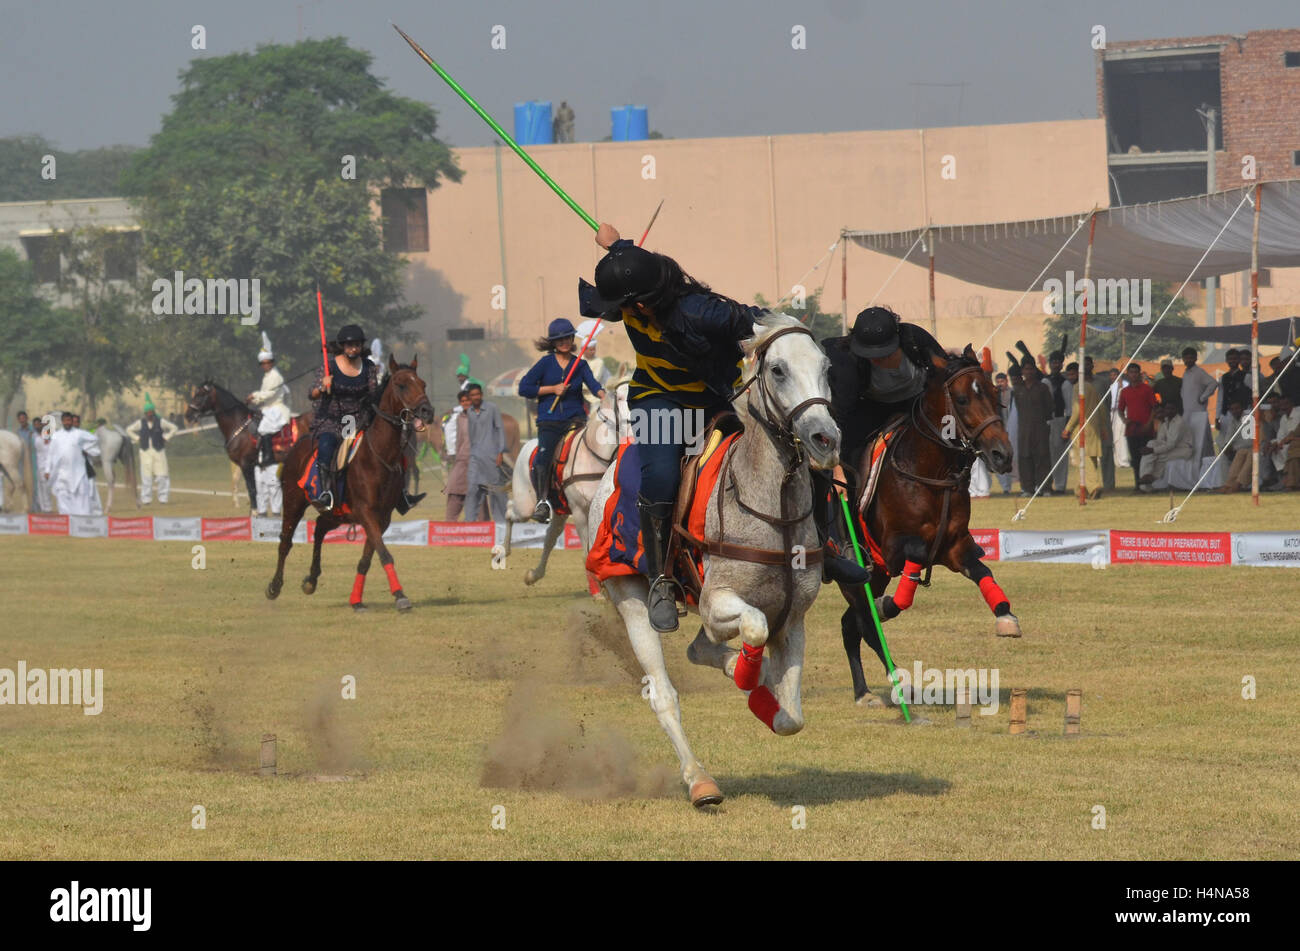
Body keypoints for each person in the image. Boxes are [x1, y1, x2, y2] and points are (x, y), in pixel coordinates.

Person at [581, 221, 866, 633]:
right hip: (658, 402)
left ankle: (827, 545)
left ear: (642, 304)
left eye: (621, 307)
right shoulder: (636, 286)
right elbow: (630, 264)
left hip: (715, 398)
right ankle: (661, 580)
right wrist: (614, 245)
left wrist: (793, 344)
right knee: (660, 478)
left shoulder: (703, 311)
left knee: (797, 451)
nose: (615, 314)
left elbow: (760, 322)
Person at [517, 317, 606, 522]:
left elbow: (594, 385)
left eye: (567, 337)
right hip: (550, 421)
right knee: (543, 458)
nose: (564, 342)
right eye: (559, 340)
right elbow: (524, 388)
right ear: (553, 343)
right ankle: (542, 501)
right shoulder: (545, 363)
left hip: (576, 420)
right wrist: (552, 389)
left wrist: (605, 395)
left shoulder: (580, 364)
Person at [307, 325, 381, 512]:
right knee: (326, 447)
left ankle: (400, 494)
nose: (353, 348)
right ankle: (326, 493)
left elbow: (373, 394)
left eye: (356, 344)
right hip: (332, 420)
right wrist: (323, 387)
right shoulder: (328, 366)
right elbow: (312, 394)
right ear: (342, 346)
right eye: (349, 345)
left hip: (358, 418)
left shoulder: (369, 367)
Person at [1061, 361, 1110, 499]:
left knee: (1084, 458)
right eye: (1068, 374)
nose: (1070, 377)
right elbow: (1101, 408)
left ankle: (1093, 486)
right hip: (1094, 427)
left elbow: (1077, 411)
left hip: (1082, 428)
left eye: (1072, 374)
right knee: (1090, 458)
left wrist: (1067, 428)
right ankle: (1081, 489)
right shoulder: (1091, 386)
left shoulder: (1078, 387)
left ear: (1079, 374)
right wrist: (1103, 427)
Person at [42, 410, 101, 515]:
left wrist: (86, 449)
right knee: (62, 496)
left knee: (82, 497)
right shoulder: (56, 436)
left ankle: (83, 520)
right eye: (65, 421)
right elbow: (50, 454)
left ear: (71, 421)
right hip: (62, 473)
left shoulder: (79, 434)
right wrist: (47, 470)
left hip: (79, 472)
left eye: (69, 420)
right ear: (62, 421)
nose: (67, 422)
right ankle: (67, 520)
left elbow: (94, 439)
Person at [464, 383, 507, 523]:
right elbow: (471, 435)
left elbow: (500, 429)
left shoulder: (492, 408)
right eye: (472, 395)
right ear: (469, 397)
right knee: (472, 489)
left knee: (495, 490)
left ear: (481, 395)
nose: (476, 397)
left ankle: (501, 522)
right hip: (475, 457)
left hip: (492, 456)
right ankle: (469, 523)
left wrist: (500, 452)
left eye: (477, 394)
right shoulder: (469, 412)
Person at [125, 395, 178, 505]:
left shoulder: (161, 421)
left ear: (153, 412)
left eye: (151, 411)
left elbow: (174, 428)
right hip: (145, 452)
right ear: (145, 413)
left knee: (162, 475)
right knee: (146, 476)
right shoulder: (140, 423)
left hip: (159, 452)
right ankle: (146, 499)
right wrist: (137, 438)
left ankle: (163, 498)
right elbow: (128, 430)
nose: (149, 414)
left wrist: (166, 437)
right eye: (147, 412)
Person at [1012, 362, 1053, 496]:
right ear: (1022, 372)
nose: (1028, 372)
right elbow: (1017, 409)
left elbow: (1049, 409)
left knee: (1042, 458)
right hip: (1024, 430)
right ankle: (1027, 488)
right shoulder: (1018, 389)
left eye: (1031, 369)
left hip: (1040, 429)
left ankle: (1045, 487)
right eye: (1026, 369)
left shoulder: (1042, 388)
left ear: (1035, 371)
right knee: (1025, 458)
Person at [1117, 362, 1157, 492]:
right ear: (1128, 375)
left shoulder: (1147, 389)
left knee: (1147, 458)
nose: (1133, 375)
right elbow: (1120, 409)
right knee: (1135, 459)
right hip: (1132, 430)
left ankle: (1147, 484)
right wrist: (1125, 420)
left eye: (1135, 372)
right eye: (1131, 372)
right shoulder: (1125, 391)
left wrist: (1149, 423)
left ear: (1139, 374)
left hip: (1146, 429)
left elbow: (1154, 408)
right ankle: (1138, 484)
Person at [1138, 402, 1194, 488]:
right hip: (1172, 448)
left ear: (1176, 410)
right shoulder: (1166, 422)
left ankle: (1147, 480)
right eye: (1167, 409)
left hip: (1184, 450)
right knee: (1151, 443)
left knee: (1155, 454)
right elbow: (1160, 441)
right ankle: (1148, 477)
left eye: (1171, 409)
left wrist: (1152, 450)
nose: (1169, 411)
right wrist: (1151, 449)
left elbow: (1171, 445)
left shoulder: (1179, 423)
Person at [1179, 347, 1216, 454]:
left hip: (1198, 413)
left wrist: (1203, 397)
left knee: (1202, 443)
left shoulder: (1199, 372)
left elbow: (1213, 383)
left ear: (1195, 359)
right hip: (1187, 414)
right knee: (1189, 443)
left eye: (1191, 358)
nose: (1188, 360)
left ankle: (1206, 467)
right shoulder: (1186, 373)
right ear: (1183, 359)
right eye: (1186, 358)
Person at [442, 390, 471, 520]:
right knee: (454, 490)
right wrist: (453, 454)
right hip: (461, 460)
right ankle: (449, 526)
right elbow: (458, 439)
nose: (465, 403)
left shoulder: (480, 416)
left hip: (475, 462)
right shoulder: (459, 418)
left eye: (467, 400)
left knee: (477, 495)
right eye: (462, 401)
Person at [1045, 349, 1070, 492]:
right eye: (1053, 362)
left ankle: (1060, 485)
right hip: (1046, 421)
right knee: (1047, 455)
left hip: (1059, 420)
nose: (1055, 365)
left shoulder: (1065, 383)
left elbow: (1068, 408)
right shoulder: (1045, 380)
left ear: (1061, 365)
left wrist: (1066, 428)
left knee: (1060, 454)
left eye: (1058, 362)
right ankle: (1048, 484)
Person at [1218, 398, 1255, 493]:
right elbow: (1228, 440)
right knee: (1239, 453)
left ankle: (1238, 484)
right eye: (1232, 409)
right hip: (1241, 449)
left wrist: (1233, 448)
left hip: (1254, 447)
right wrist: (1227, 449)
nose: (1235, 411)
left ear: (1242, 408)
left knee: (1248, 453)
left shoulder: (1248, 418)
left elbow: (1249, 441)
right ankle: (1228, 484)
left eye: (1237, 408)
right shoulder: (1233, 421)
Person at [1266, 394, 1300, 490]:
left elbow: (1294, 434)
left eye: (1286, 404)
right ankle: (1284, 479)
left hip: (1294, 443)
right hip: (1287, 444)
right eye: (1282, 405)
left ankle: (1290, 482)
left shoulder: (1298, 413)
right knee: (1274, 450)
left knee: (1291, 449)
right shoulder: (1283, 418)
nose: (1283, 407)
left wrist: (1283, 442)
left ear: (1291, 404)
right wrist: (1274, 444)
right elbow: (1280, 436)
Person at [994, 373, 1013, 494]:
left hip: (1011, 428)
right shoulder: (994, 394)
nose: (1000, 384)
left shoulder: (1012, 392)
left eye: (1002, 381)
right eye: (998, 381)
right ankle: (1005, 487)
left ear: (1007, 381)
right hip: (998, 430)